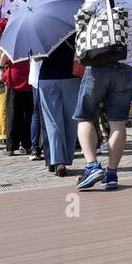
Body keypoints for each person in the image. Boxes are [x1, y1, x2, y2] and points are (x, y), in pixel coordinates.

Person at [73, 0, 132, 191]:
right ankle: (112, 174)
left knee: (85, 116)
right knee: (118, 123)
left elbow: (80, 21)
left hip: (98, 65)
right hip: (125, 67)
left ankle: (92, 165)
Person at [36, 34, 80, 177]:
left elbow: (36, 57)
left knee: (52, 122)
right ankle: (66, 158)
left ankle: (57, 160)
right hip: (71, 77)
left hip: (47, 77)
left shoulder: (40, 30)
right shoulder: (74, 27)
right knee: (71, 120)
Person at [0, 53, 34, 156]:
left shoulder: (13, 40)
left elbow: (3, 57)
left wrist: (1, 69)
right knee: (28, 114)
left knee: (13, 113)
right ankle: (27, 145)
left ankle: (10, 146)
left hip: (14, 77)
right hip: (29, 77)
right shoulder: (33, 42)